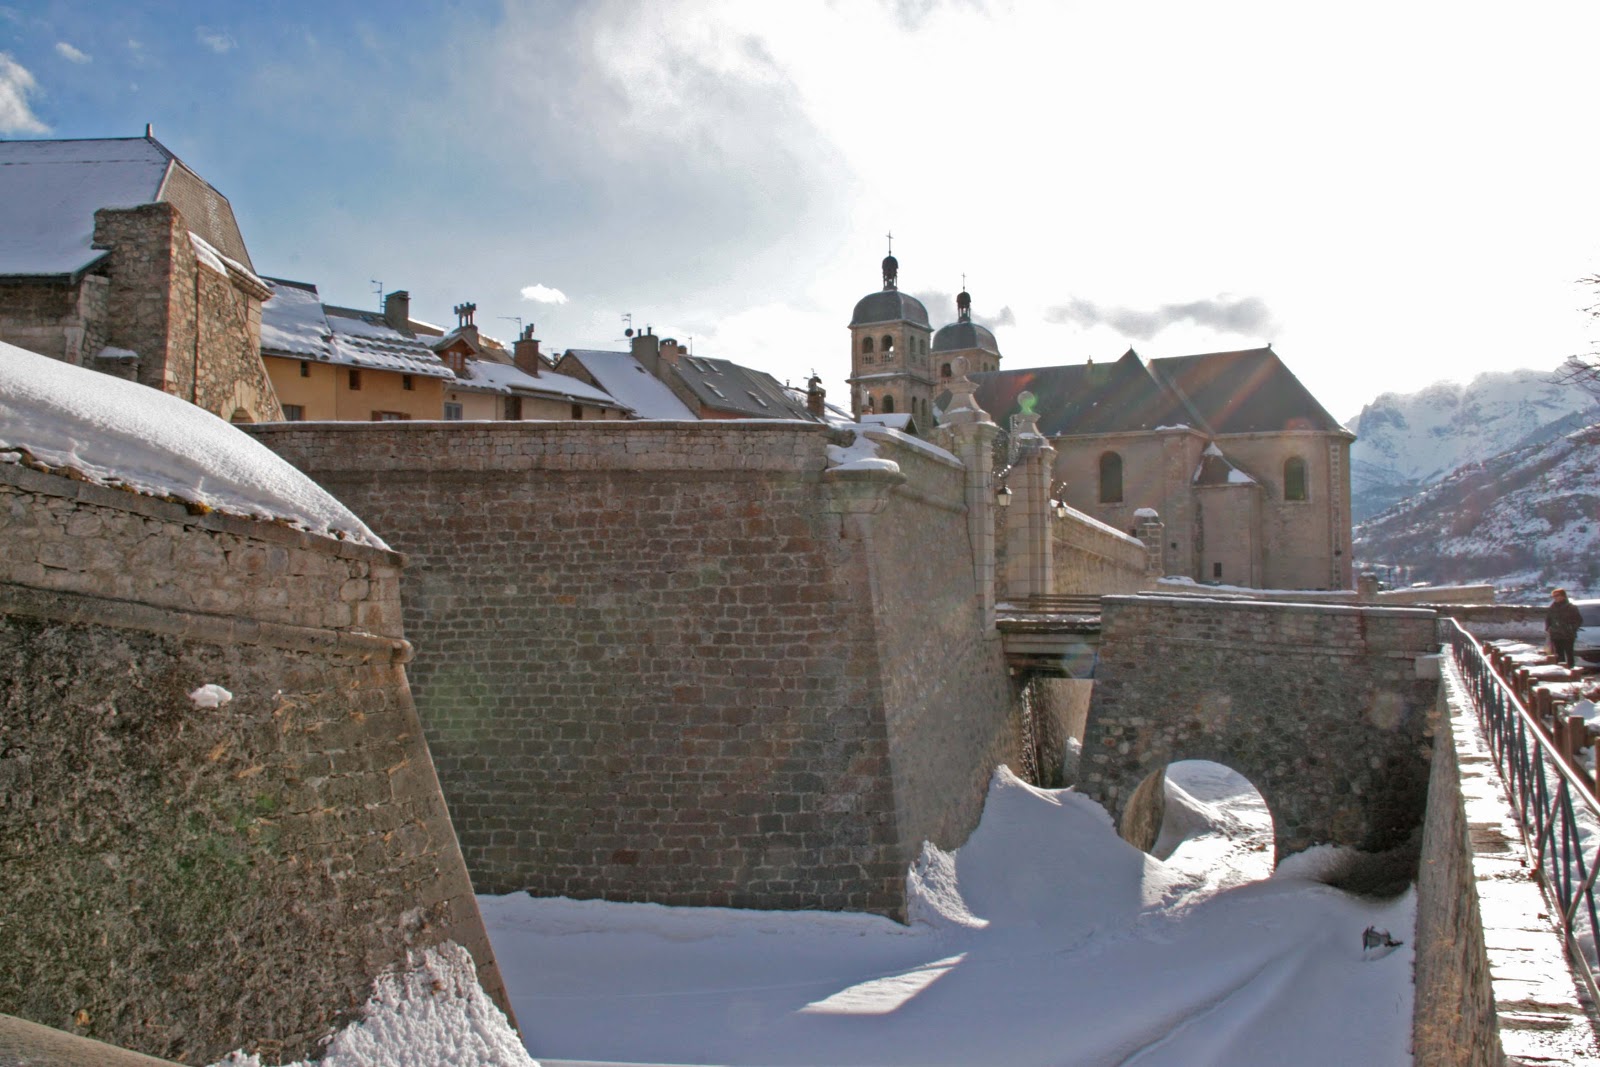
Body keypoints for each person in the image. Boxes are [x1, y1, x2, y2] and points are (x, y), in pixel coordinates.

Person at [1545, 587, 1583, 669]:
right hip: (1556, 635)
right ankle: (1561, 671)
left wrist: (1571, 628)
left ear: (1563, 596)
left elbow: (1578, 620)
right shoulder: (1552, 608)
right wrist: (1548, 629)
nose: (1555, 598)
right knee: (1559, 654)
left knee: (1569, 653)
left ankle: (1571, 670)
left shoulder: (1571, 607)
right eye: (1553, 596)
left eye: (1557, 595)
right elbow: (1548, 620)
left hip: (1568, 635)